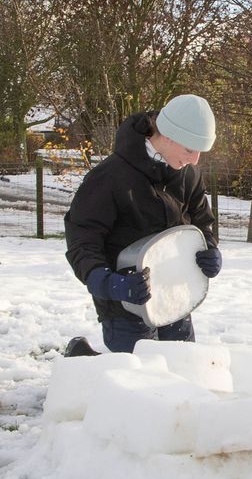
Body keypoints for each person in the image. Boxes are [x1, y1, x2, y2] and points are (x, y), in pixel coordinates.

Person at [63, 94, 222, 355]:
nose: (195, 160)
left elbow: (202, 220)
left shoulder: (188, 174)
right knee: (138, 375)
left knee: (182, 368)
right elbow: (83, 237)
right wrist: (105, 281)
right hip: (125, 298)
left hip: (174, 293)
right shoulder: (110, 177)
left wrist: (210, 249)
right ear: (168, 136)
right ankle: (81, 361)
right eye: (190, 150)